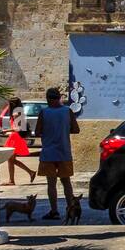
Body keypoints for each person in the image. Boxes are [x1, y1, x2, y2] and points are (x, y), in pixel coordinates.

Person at [34, 87, 80, 222]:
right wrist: (64, 130)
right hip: (64, 151)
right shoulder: (68, 111)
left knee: (51, 183)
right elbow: (76, 129)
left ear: (48, 98)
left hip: (48, 152)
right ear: (59, 98)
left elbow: (37, 132)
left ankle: (54, 211)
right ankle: (70, 207)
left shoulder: (44, 112)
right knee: (66, 182)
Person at [1, 97, 36, 185]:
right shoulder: (19, 111)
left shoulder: (16, 113)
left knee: (10, 159)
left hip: (15, 138)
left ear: (12, 104)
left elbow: (18, 128)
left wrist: (6, 131)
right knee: (11, 160)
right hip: (15, 137)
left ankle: (12, 180)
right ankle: (30, 172)